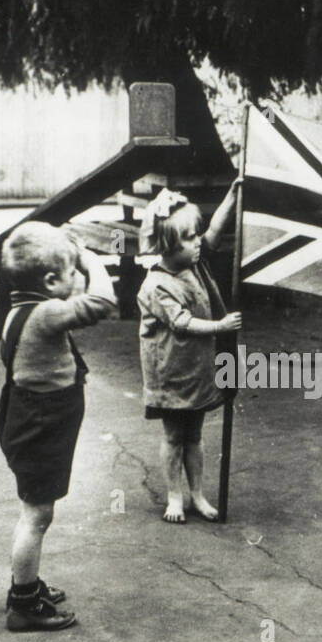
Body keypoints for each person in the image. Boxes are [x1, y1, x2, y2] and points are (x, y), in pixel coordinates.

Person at [0, 222, 116, 630]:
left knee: (38, 510)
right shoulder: (47, 313)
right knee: (37, 514)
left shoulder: (20, 309)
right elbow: (101, 302)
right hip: (40, 425)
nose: (77, 278)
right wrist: (91, 258)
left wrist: (72, 263)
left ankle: (25, 585)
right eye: (70, 273)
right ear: (49, 281)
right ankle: (23, 605)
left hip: (31, 419)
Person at [136, 182, 242, 523]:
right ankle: (174, 495)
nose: (198, 242)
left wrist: (233, 194)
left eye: (195, 235)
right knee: (174, 435)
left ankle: (197, 493)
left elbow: (213, 232)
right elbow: (182, 323)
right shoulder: (157, 284)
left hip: (195, 366)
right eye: (189, 238)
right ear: (167, 245)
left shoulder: (192, 262)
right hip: (170, 372)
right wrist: (220, 326)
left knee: (194, 434)